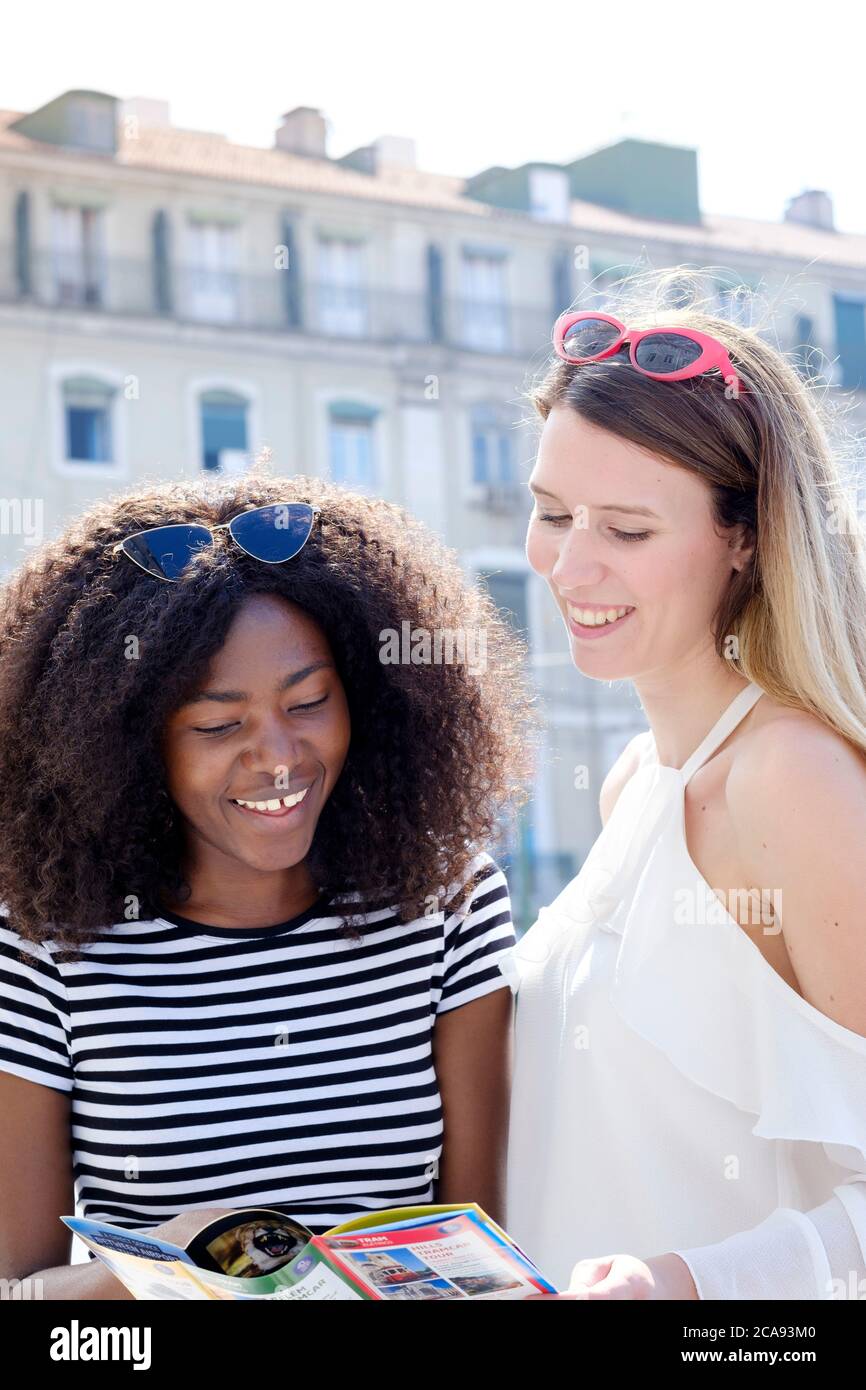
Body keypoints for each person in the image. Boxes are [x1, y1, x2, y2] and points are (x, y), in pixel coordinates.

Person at [0, 472, 537, 1299]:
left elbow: (480, 1258)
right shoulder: (44, 941)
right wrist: (179, 1259)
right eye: (219, 725)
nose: (280, 757)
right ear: (131, 744)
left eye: (311, 701)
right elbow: (20, 1294)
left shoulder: (448, 902)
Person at [504, 271, 866, 1300]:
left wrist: (682, 1287)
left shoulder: (787, 781)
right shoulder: (632, 782)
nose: (569, 567)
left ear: (743, 538)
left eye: (624, 530)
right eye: (549, 512)